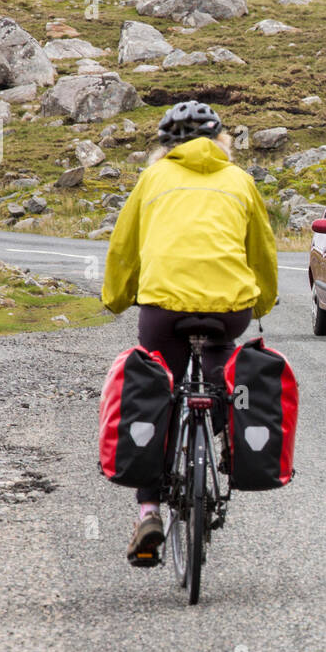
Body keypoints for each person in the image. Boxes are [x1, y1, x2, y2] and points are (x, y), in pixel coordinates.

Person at [102, 101, 278, 567]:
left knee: (157, 385)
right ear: (223, 140)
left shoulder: (153, 180)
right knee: (222, 365)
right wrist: (261, 301)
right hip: (228, 309)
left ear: (165, 148)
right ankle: (224, 428)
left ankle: (147, 512)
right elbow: (261, 249)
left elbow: (125, 248)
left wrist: (117, 298)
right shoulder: (240, 181)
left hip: (163, 307)